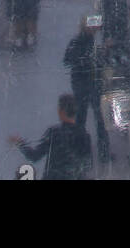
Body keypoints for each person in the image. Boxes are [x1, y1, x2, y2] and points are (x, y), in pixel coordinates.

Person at [10, 94, 93, 180]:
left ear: (61, 111)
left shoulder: (55, 133)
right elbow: (88, 165)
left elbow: (34, 156)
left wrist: (20, 143)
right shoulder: (84, 135)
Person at [63, 18, 110, 161]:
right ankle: (97, 152)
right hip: (84, 84)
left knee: (90, 118)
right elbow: (69, 60)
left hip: (88, 84)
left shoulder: (90, 42)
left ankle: (83, 150)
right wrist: (92, 58)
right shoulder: (79, 42)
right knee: (91, 118)